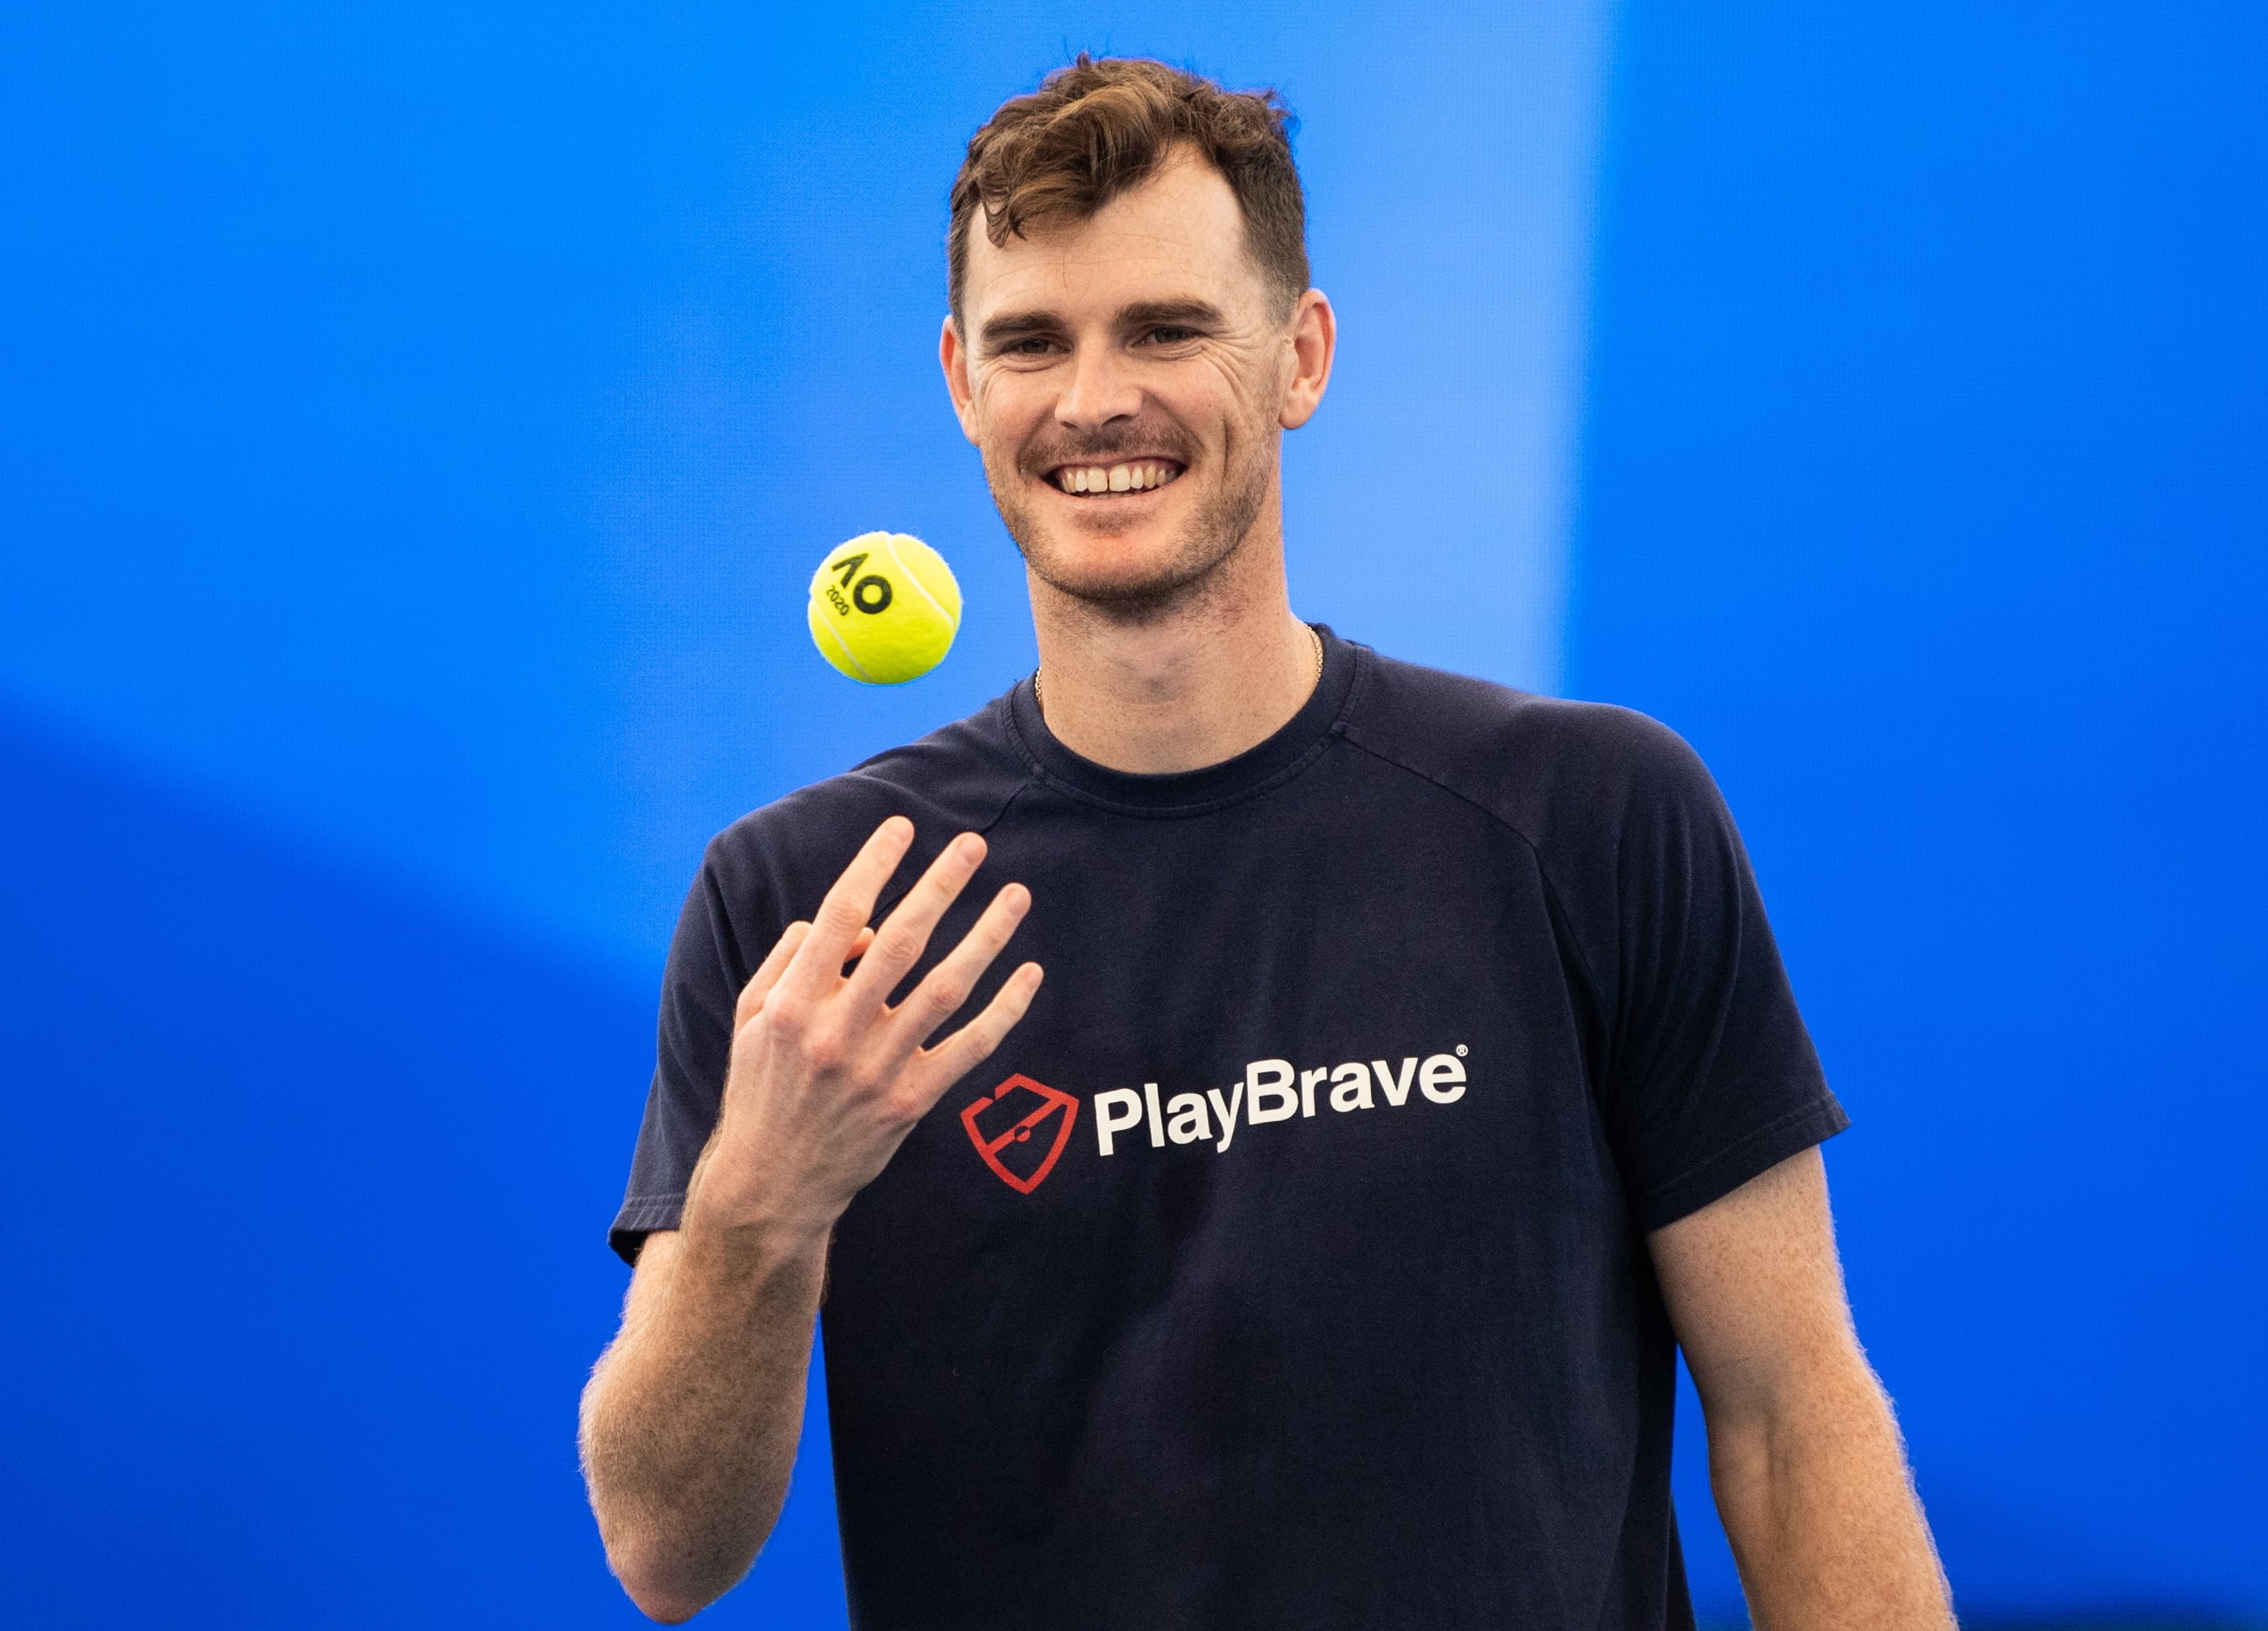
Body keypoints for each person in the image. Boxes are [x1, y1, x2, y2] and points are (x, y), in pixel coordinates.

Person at [580, 55, 1956, 1630]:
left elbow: (1790, 1421)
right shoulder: (812, 908)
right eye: (1033, 341)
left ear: (1298, 354)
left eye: (1165, 328)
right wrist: (760, 1203)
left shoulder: (1593, 815)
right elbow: (664, 1552)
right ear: (963, 382)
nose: (1095, 398)